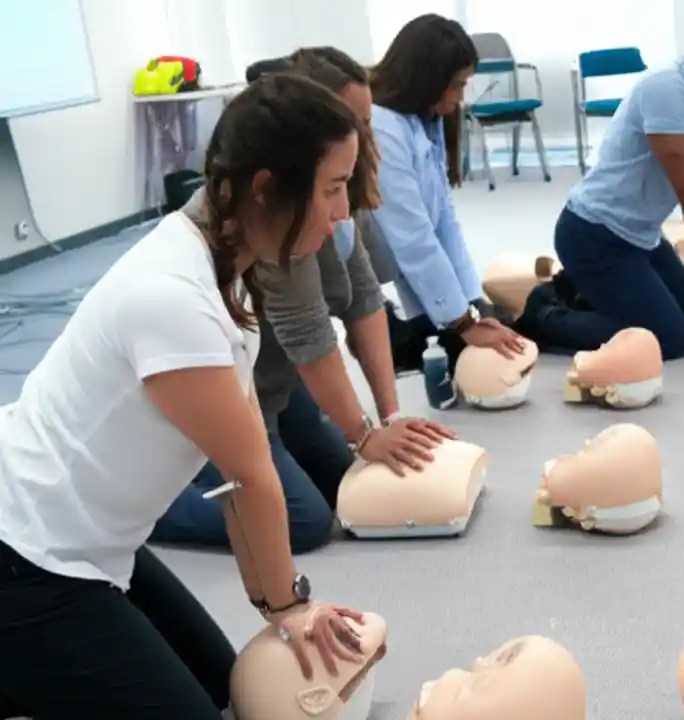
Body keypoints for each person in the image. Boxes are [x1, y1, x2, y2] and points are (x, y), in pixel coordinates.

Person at [0, 74, 368, 719]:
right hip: (26, 556)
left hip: (96, 545)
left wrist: (279, 607)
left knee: (228, 689)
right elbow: (252, 476)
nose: (343, 214)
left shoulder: (227, 269)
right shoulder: (170, 295)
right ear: (265, 187)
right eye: (334, 190)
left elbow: (239, 473)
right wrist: (291, 607)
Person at [151, 48, 455, 554]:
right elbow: (309, 332)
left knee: (348, 485)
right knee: (304, 522)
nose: (365, 138)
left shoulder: (329, 190)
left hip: (273, 388)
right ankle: (154, 505)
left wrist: (389, 418)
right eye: (354, 122)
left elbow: (363, 299)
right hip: (215, 406)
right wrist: (361, 435)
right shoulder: (275, 211)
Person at [520, 10, 684, 361]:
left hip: (642, 236)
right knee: (665, 338)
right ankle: (543, 315)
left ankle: (586, 291)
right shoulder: (666, 89)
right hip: (594, 235)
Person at [369, 14, 526, 373]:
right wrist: (463, 324)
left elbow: (443, 219)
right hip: (362, 260)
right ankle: (393, 329)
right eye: (457, 85)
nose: (461, 96)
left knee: (490, 337)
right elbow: (414, 237)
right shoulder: (383, 128)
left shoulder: (427, 116)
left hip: (404, 252)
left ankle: (414, 328)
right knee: (456, 344)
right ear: (426, 80)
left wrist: (474, 303)